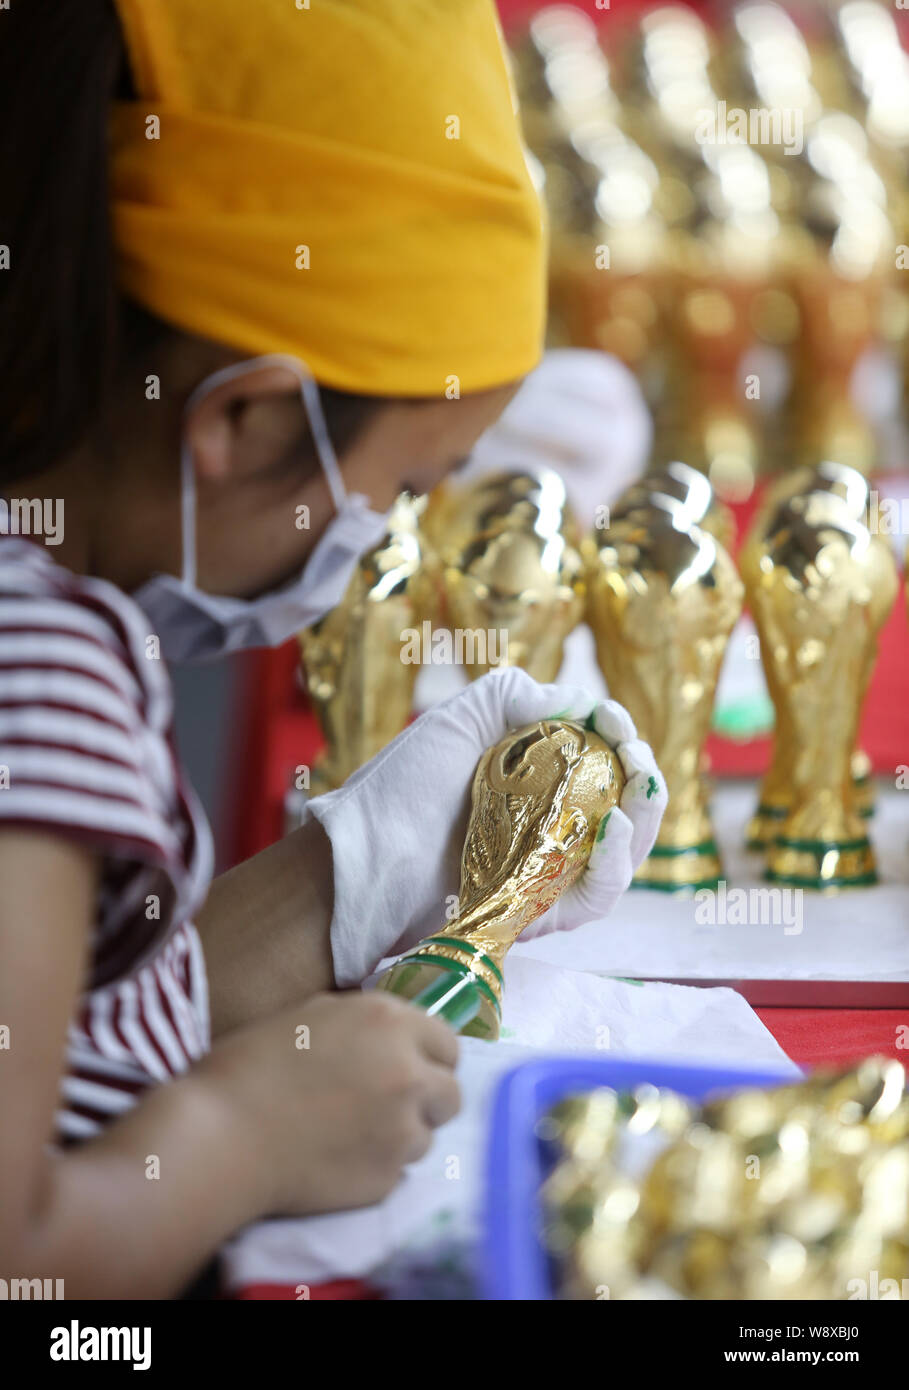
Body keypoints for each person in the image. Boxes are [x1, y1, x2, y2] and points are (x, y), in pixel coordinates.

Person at [0, 0, 666, 1297]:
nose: (384, 539)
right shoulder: (39, 672)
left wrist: (341, 882)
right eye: (402, 486)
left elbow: (89, 1030)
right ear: (245, 421)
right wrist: (238, 1142)